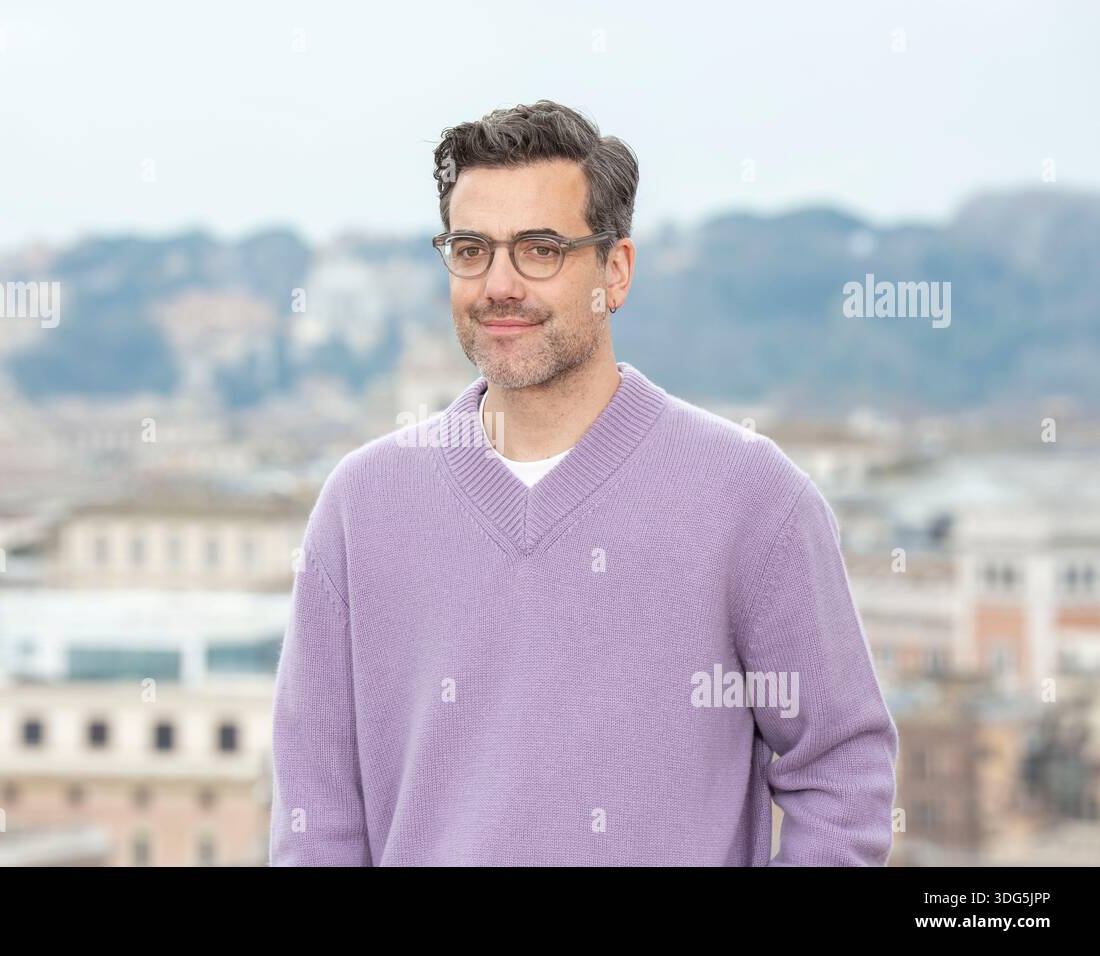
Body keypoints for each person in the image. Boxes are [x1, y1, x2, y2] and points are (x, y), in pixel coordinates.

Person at [269, 100, 898, 866]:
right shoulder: (360, 507)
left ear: (616, 270)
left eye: (540, 249)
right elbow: (318, 816)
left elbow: (840, 773)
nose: (499, 283)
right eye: (471, 249)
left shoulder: (752, 497)